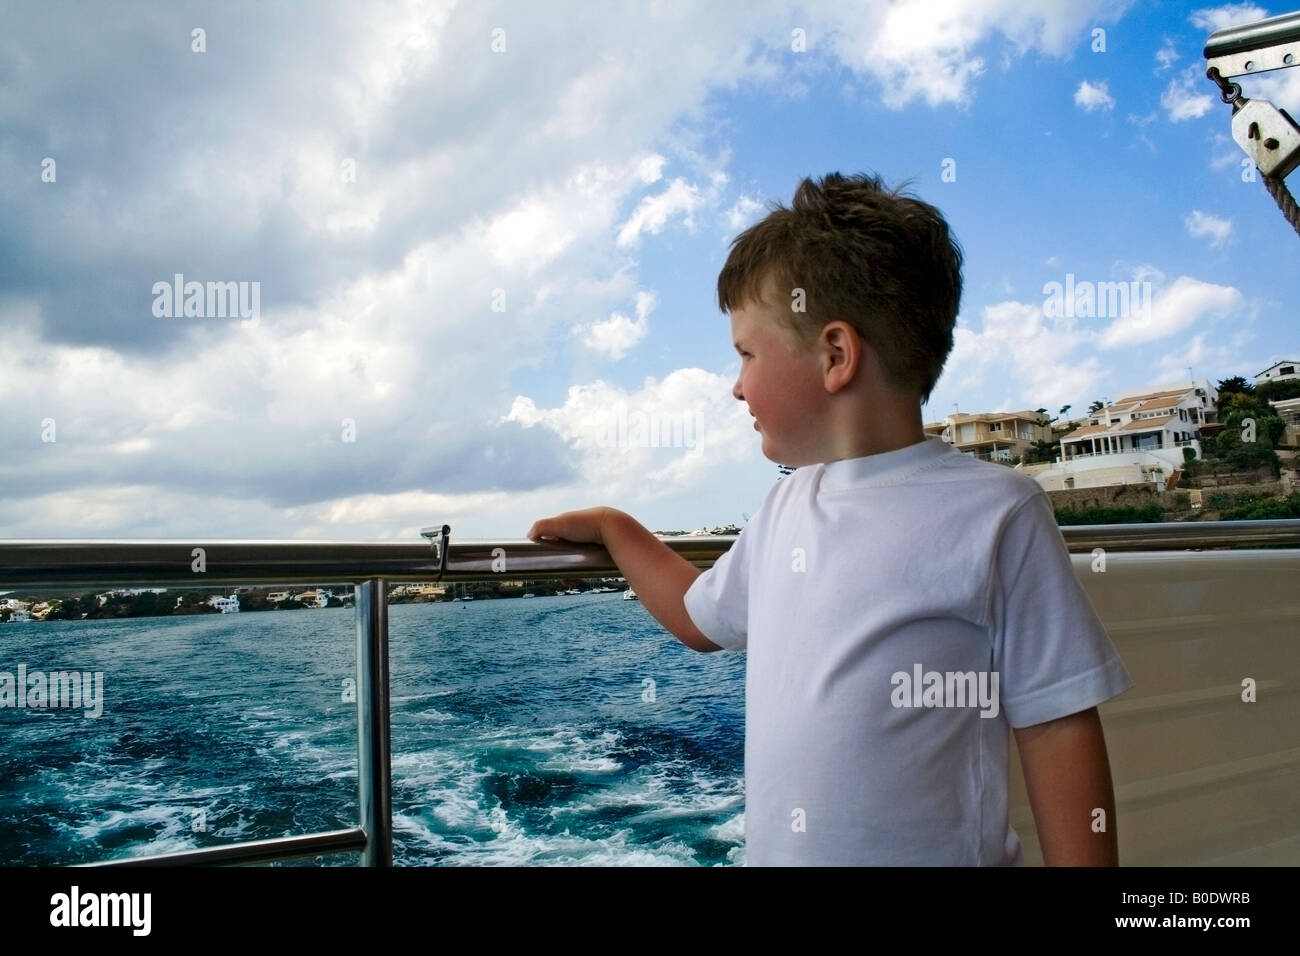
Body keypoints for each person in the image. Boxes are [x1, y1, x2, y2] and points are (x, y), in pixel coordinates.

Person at [527, 172, 1133, 866]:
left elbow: (1056, 726)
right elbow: (700, 618)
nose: (735, 385)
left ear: (836, 356)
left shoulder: (997, 513)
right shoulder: (788, 504)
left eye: (747, 354)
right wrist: (616, 528)